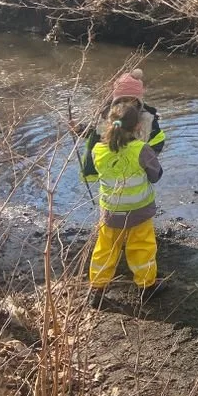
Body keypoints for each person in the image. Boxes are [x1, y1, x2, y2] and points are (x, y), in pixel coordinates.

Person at [88, 100, 166, 305]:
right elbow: (155, 175)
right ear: (138, 126)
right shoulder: (141, 149)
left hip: (111, 211)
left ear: (109, 124)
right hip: (139, 211)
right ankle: (146, 286)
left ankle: (96, 289)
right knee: (142, 246)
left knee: (105, 248)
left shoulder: (97, 150)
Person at [77, 68, 166, 182]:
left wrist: (147, 157)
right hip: (112, 168)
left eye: (131, 100)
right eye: (122, 100)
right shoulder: (106, 115)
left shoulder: (147, 118)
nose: (127, 104)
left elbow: (157, 140)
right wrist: (80, 129)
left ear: (138, 100)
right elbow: (96, 133)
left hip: (135, 167)